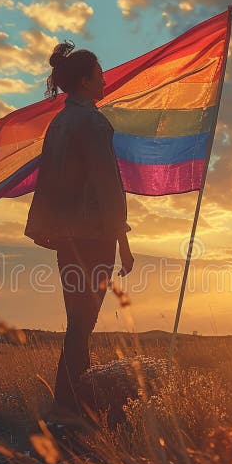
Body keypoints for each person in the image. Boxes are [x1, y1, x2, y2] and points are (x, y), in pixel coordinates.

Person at [25, 40, 134, 423]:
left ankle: (74, 404)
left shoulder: (60, 123)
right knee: (82, 323)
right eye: (100, 75)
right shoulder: (92, 122)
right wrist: (123, 242)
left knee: (79, 320)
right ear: (86, 81)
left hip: (67, 237)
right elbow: (108, 185)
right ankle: (71, 406)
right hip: (93, 235)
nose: (105, 81)